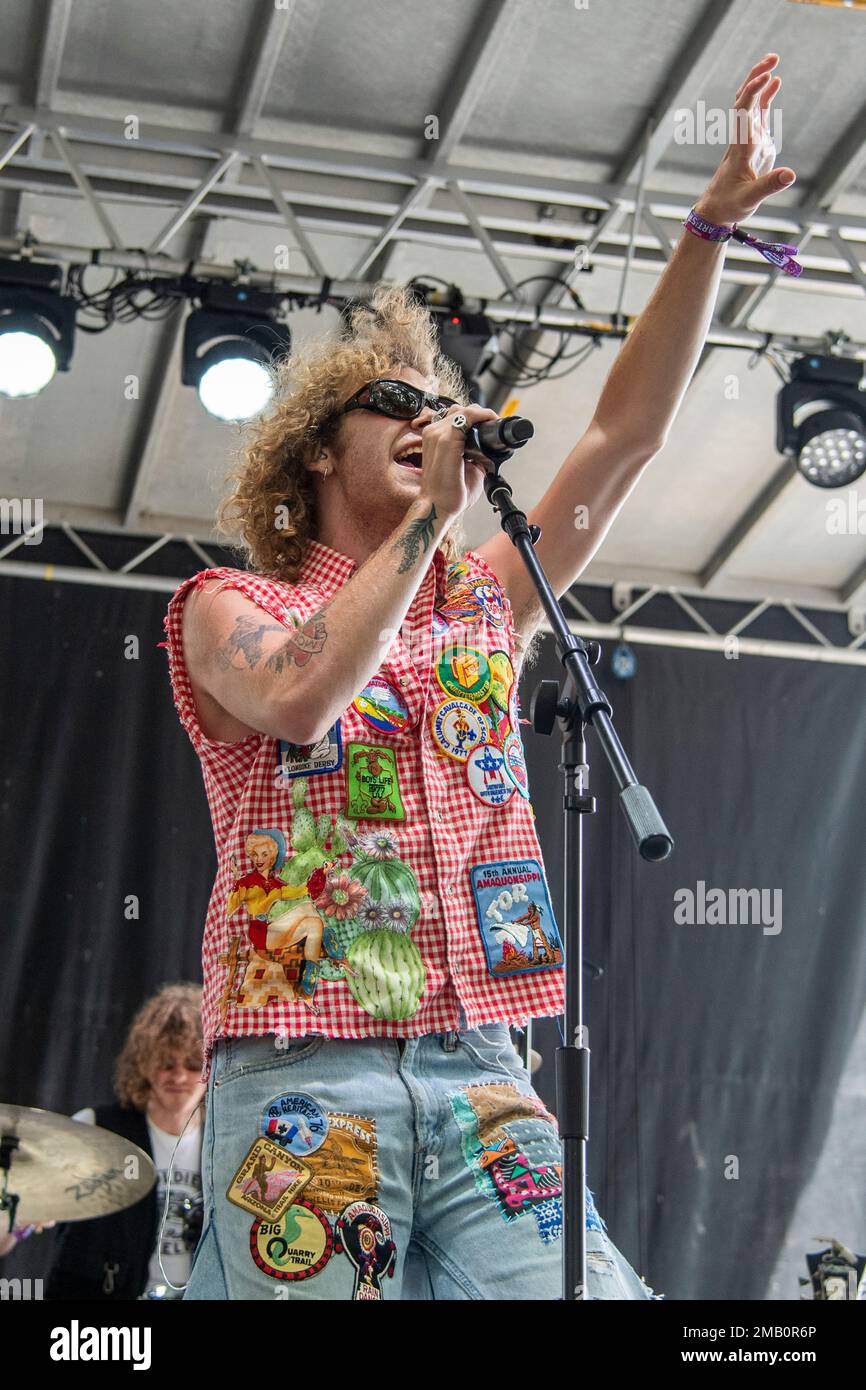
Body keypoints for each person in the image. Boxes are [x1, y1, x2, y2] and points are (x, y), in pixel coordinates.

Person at [162, 53, 795, 1300]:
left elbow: (621, 441)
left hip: (484, 1070)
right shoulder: (225, 606)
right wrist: (420, 530)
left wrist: (707, 229)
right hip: (302, 1078)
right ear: (308, 461)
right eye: (394, 400)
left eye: (441, 400)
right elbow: (300, 695)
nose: (429, 412)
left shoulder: (478, 604)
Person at [44, 984, 206, 1300]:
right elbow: (30, 1207)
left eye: (193, 1064)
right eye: (166, 1064)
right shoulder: (95, 1128)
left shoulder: (222, 1140)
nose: (179, 1077)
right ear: (143, 1062)